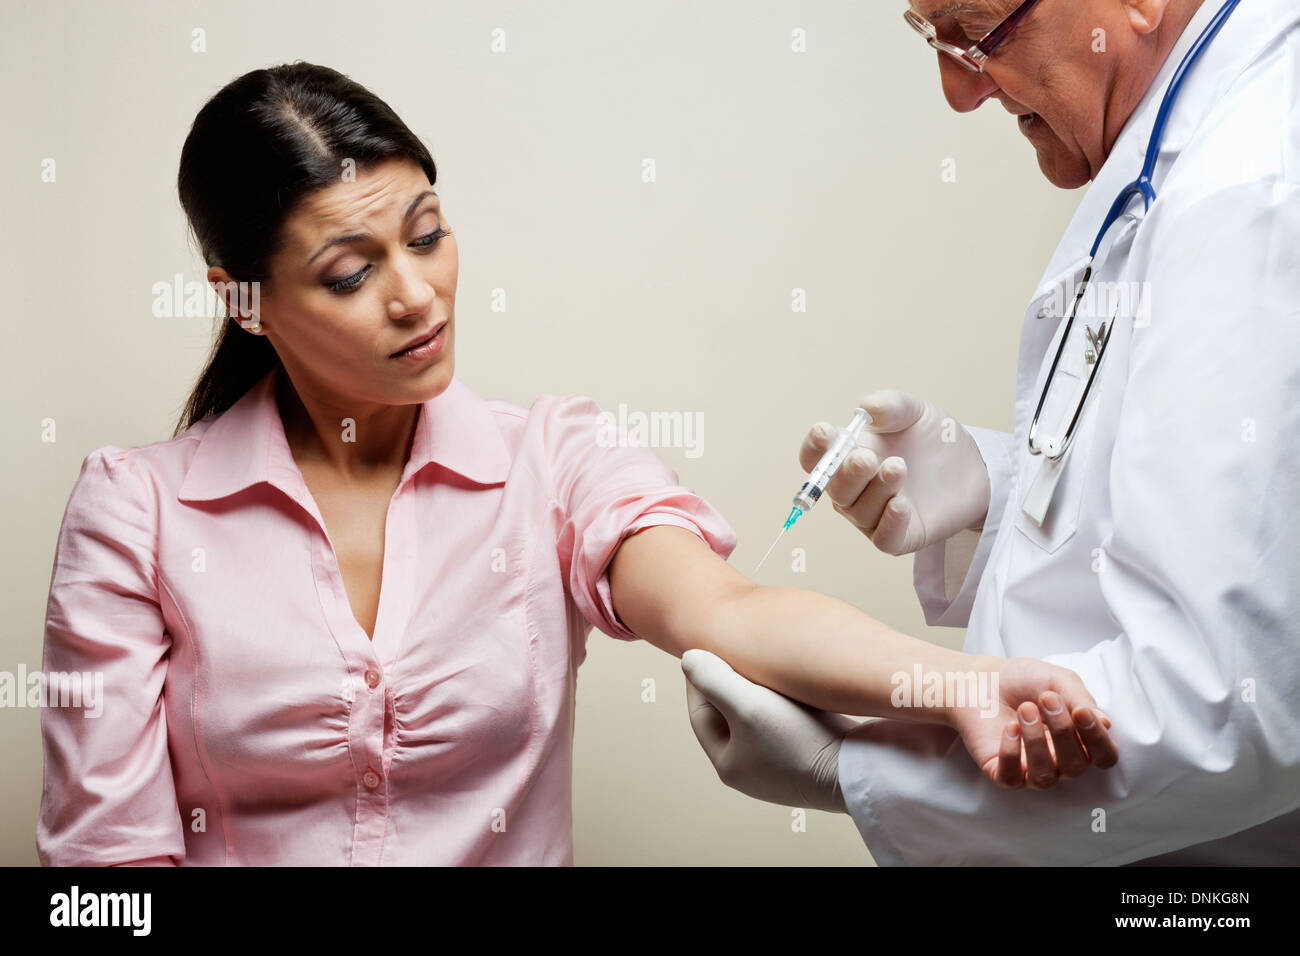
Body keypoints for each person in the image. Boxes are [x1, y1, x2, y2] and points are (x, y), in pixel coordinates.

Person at [35, 62, 1114, 867]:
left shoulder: (552, 459)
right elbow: (104, 870)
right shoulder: (138, 512)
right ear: (242, 299)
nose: (416, 293)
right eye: (351, 271)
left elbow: (727, 611)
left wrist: (962, 684)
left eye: (427, 232)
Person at [685, 0, 1300, 865]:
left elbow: (1224, 708)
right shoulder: (1181, 149)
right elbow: (1222, 529)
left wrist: (853, 772)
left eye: (977, 31)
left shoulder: (1251, 187)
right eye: (930, 38)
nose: (956, 92)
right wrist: (995, 490)